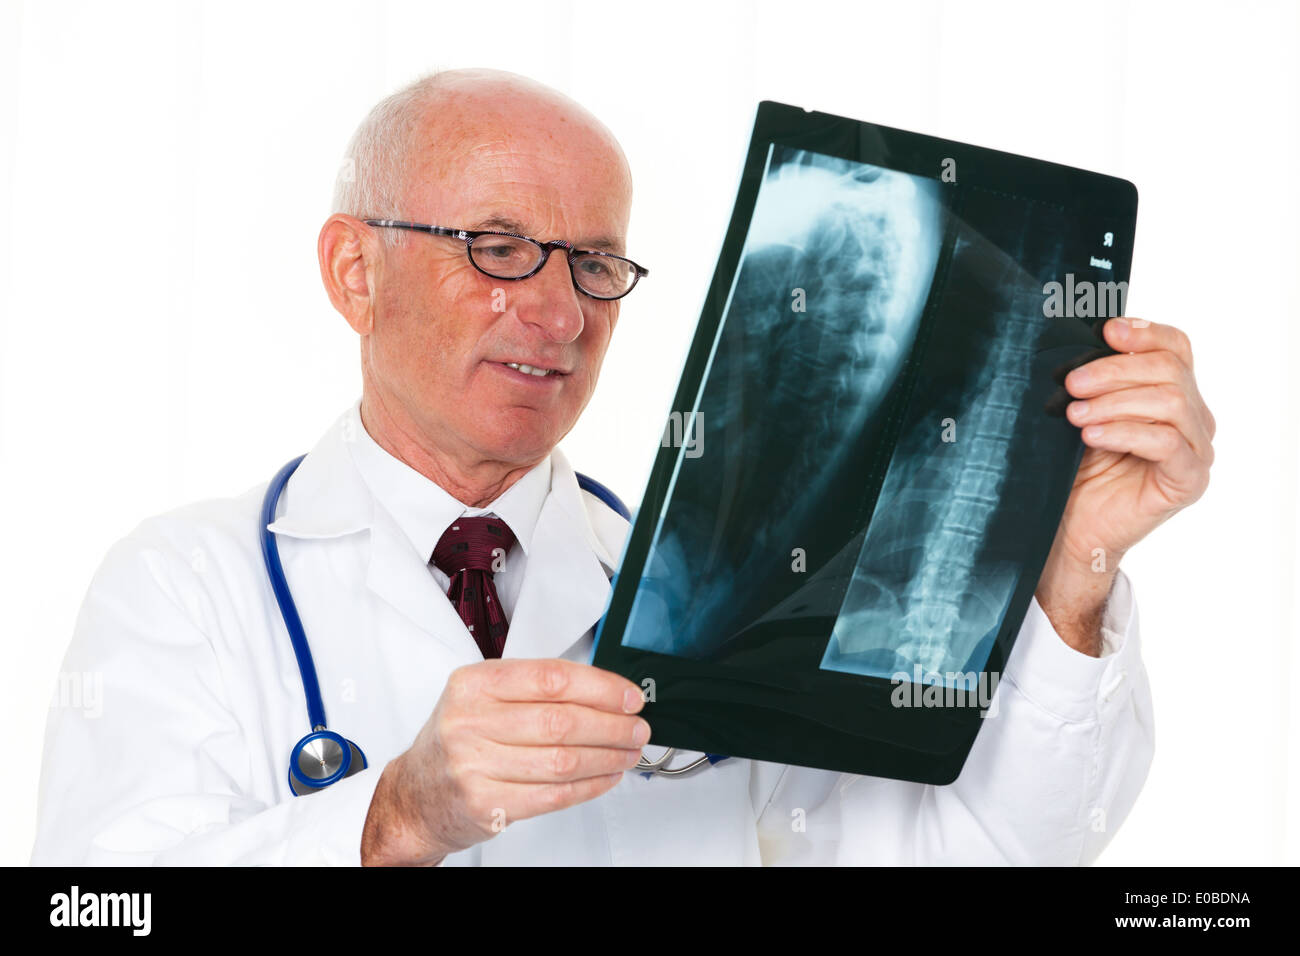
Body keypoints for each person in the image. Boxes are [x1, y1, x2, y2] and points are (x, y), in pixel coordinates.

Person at [29, 68, 1215, 866]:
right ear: (355, 273)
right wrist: (392, 813)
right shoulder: (183, 585)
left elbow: (979, 850)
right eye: (497, 247)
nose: (555, 309)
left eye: (595, 262)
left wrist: (1075, 566)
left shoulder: (717, 597)